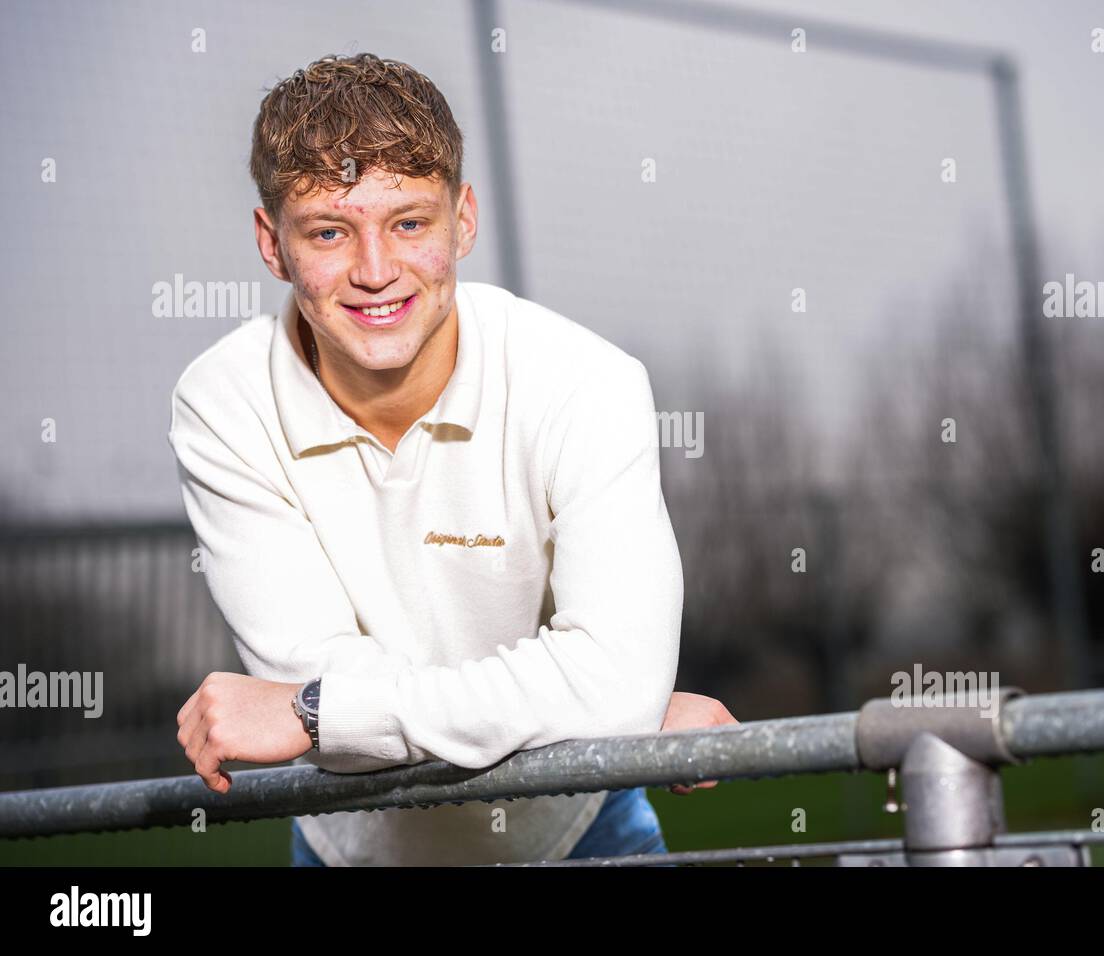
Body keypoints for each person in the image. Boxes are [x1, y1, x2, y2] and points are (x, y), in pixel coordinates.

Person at [169, 52, 736, 866]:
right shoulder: (221, 404)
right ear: (272, 244)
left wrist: (319, 711)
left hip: (571, 826)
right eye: (329, 231)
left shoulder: (586, 382)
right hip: (357, 843)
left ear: (463, 220)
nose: (374, 272)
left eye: (408, 222)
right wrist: (594, 702)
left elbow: (324, 711)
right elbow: (330, 708)